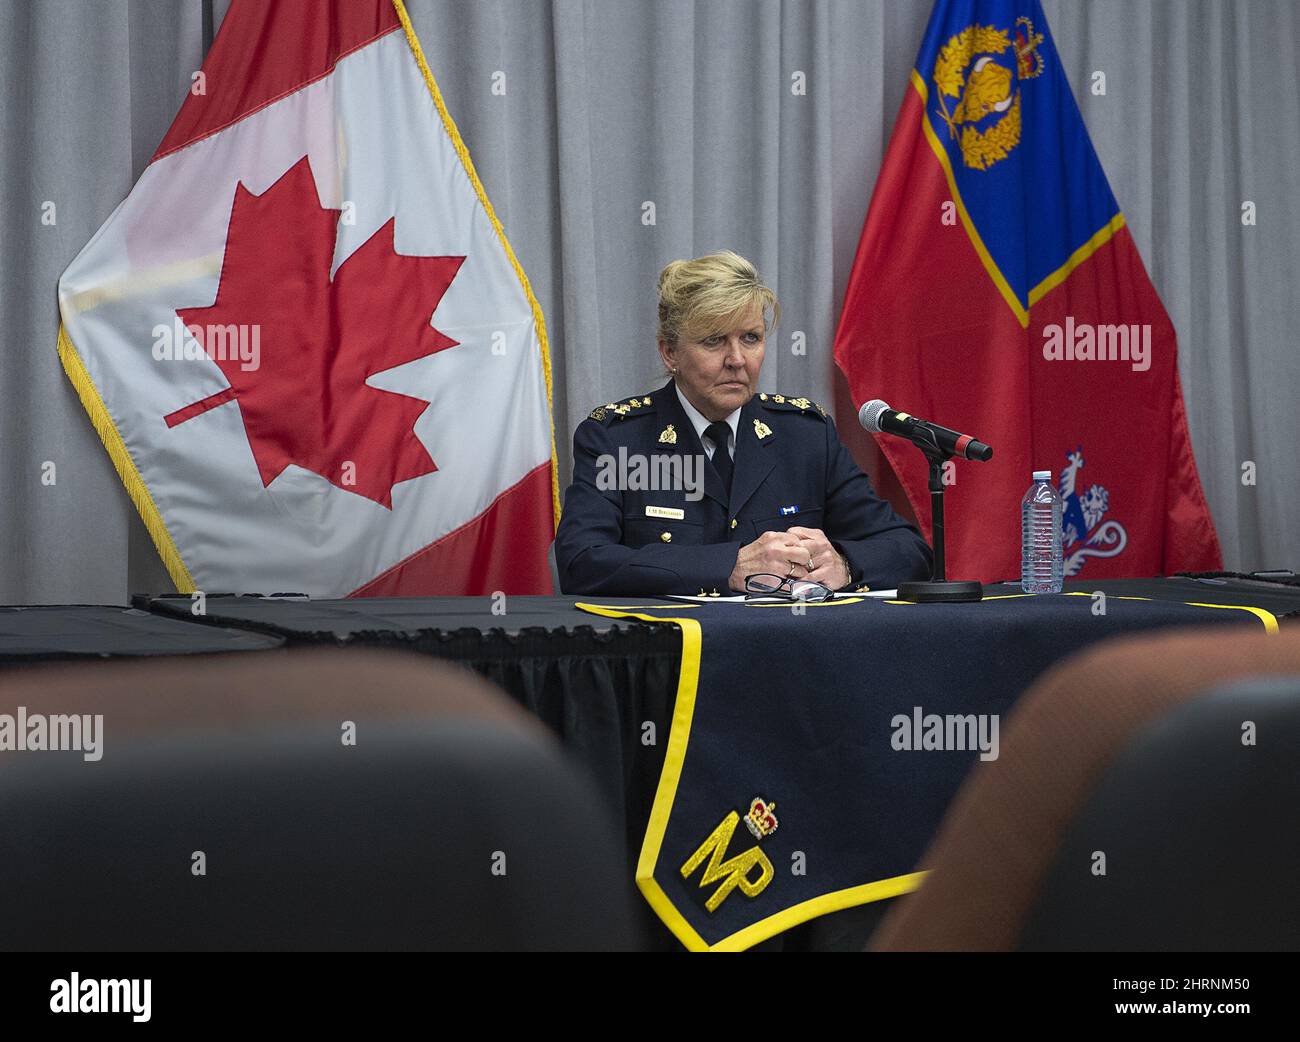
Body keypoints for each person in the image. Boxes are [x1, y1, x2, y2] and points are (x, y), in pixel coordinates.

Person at [554, 250, 931, 596]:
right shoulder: (617, 440)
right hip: (674, 657)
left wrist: (845, 565)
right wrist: (727, 567)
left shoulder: (805, 436)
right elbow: (582, 563)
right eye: (714, 341)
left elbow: (908, 550)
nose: (737, 359)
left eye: (750, 338)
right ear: (670, 353)